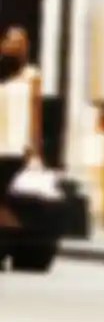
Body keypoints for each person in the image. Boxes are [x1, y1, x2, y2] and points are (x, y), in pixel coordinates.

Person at [0, 27, 42, 198]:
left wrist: (35, 150)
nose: (14, 47)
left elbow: (35, 113)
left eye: (19, 43)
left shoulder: (32, 75)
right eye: (11, 42)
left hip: (18, 147)